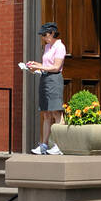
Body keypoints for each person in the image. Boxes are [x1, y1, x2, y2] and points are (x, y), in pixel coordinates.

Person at [27, 22, 66, 155]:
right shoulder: (48, 46)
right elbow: (45, 65)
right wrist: (34, 65)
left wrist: (39, 67)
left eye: (45, 34)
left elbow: (56, 67)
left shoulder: (60, 46)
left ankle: (59, 145)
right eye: (42, 35)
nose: (43, 37)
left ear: (53, 33)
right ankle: (44, 145)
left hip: (54, 80)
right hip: (45, 79)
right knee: (46, 114)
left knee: (56, 113)